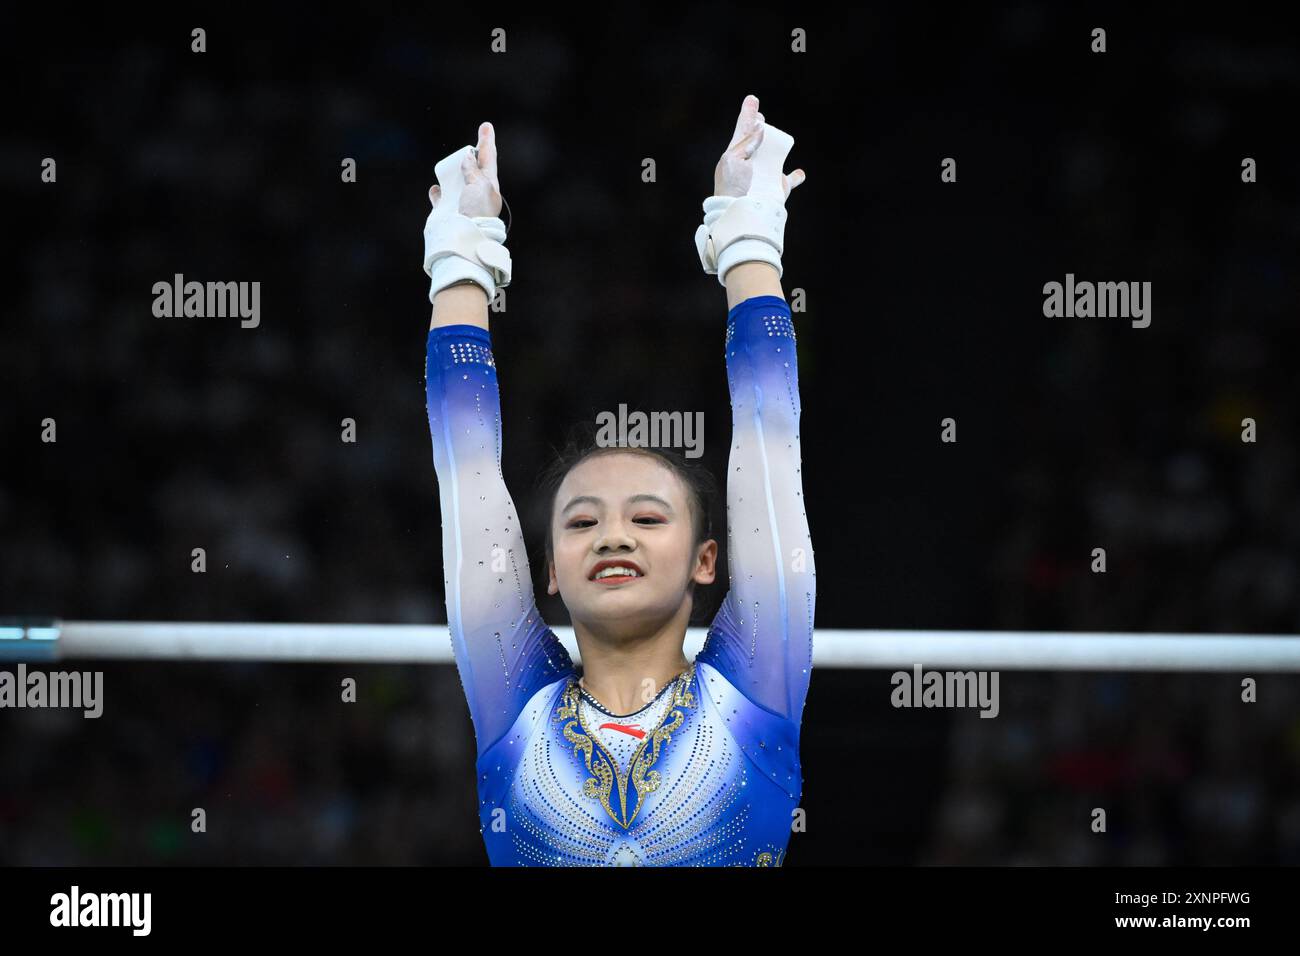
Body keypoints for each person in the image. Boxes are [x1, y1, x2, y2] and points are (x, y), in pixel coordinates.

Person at [423, 94, 814, 865]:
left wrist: (749, 240)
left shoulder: (757, 685)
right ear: (551, 573)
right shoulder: (514, 702)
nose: (611, 534)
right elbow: (465, 467)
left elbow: (771, 440)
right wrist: (460, 254)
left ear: (708, 560)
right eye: (580, 523)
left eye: (647, 518)